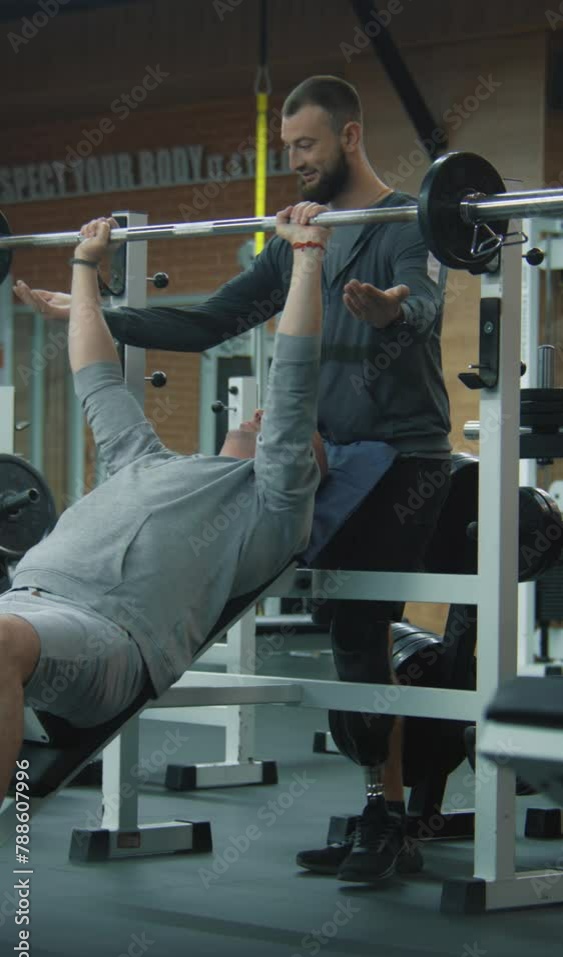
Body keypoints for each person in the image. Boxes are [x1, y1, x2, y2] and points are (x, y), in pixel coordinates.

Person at [15, 75, 452, 883]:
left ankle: (385, 810)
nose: (293, 161)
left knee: (358, 631)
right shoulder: (292, 240)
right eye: (286, 147)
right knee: (343, 629)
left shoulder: (398, 220)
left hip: (399, 455)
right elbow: (213, 319)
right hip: (309, 448)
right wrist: (94, 309)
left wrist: (389, 310)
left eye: (305, 145)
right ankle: (389, 795)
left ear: (349, 138)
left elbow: (420, 303)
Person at [0, 202, 330, 809]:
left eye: (293, 436)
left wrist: (307, 258)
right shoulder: (143, 460)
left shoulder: (270, 508)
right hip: (23, 598)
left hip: (106, 638)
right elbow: (96, 376)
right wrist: (83, 262)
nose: (264, 416)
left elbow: (293, 382)